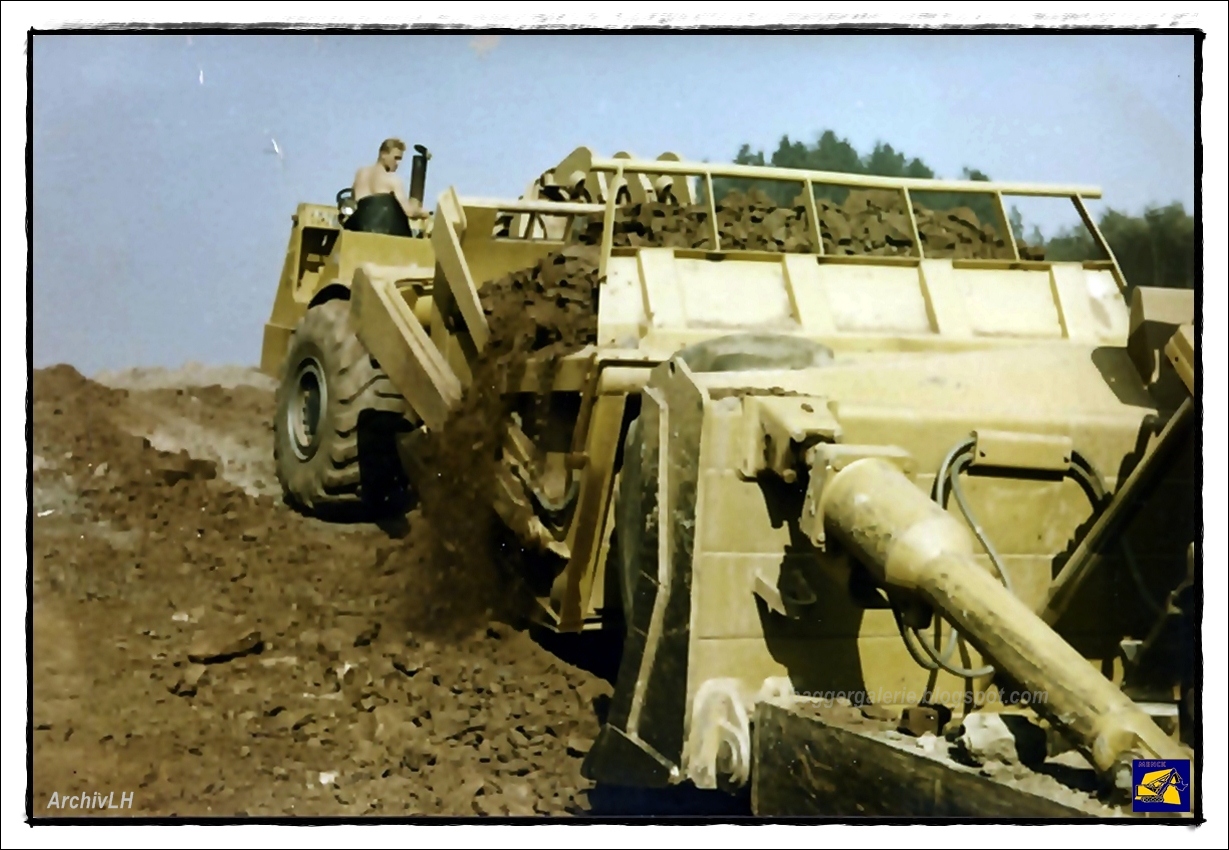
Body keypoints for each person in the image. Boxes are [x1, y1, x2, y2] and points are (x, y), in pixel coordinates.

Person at [346, 138, 429, 235]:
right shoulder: (392, 180)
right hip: (388, 236)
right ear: (383, 154)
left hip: (358, 232)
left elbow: (353, 201)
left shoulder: (360, 174)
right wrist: (424, 213)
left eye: (400, 159)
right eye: (396, 158)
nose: (398, 163)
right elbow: (409, 212)